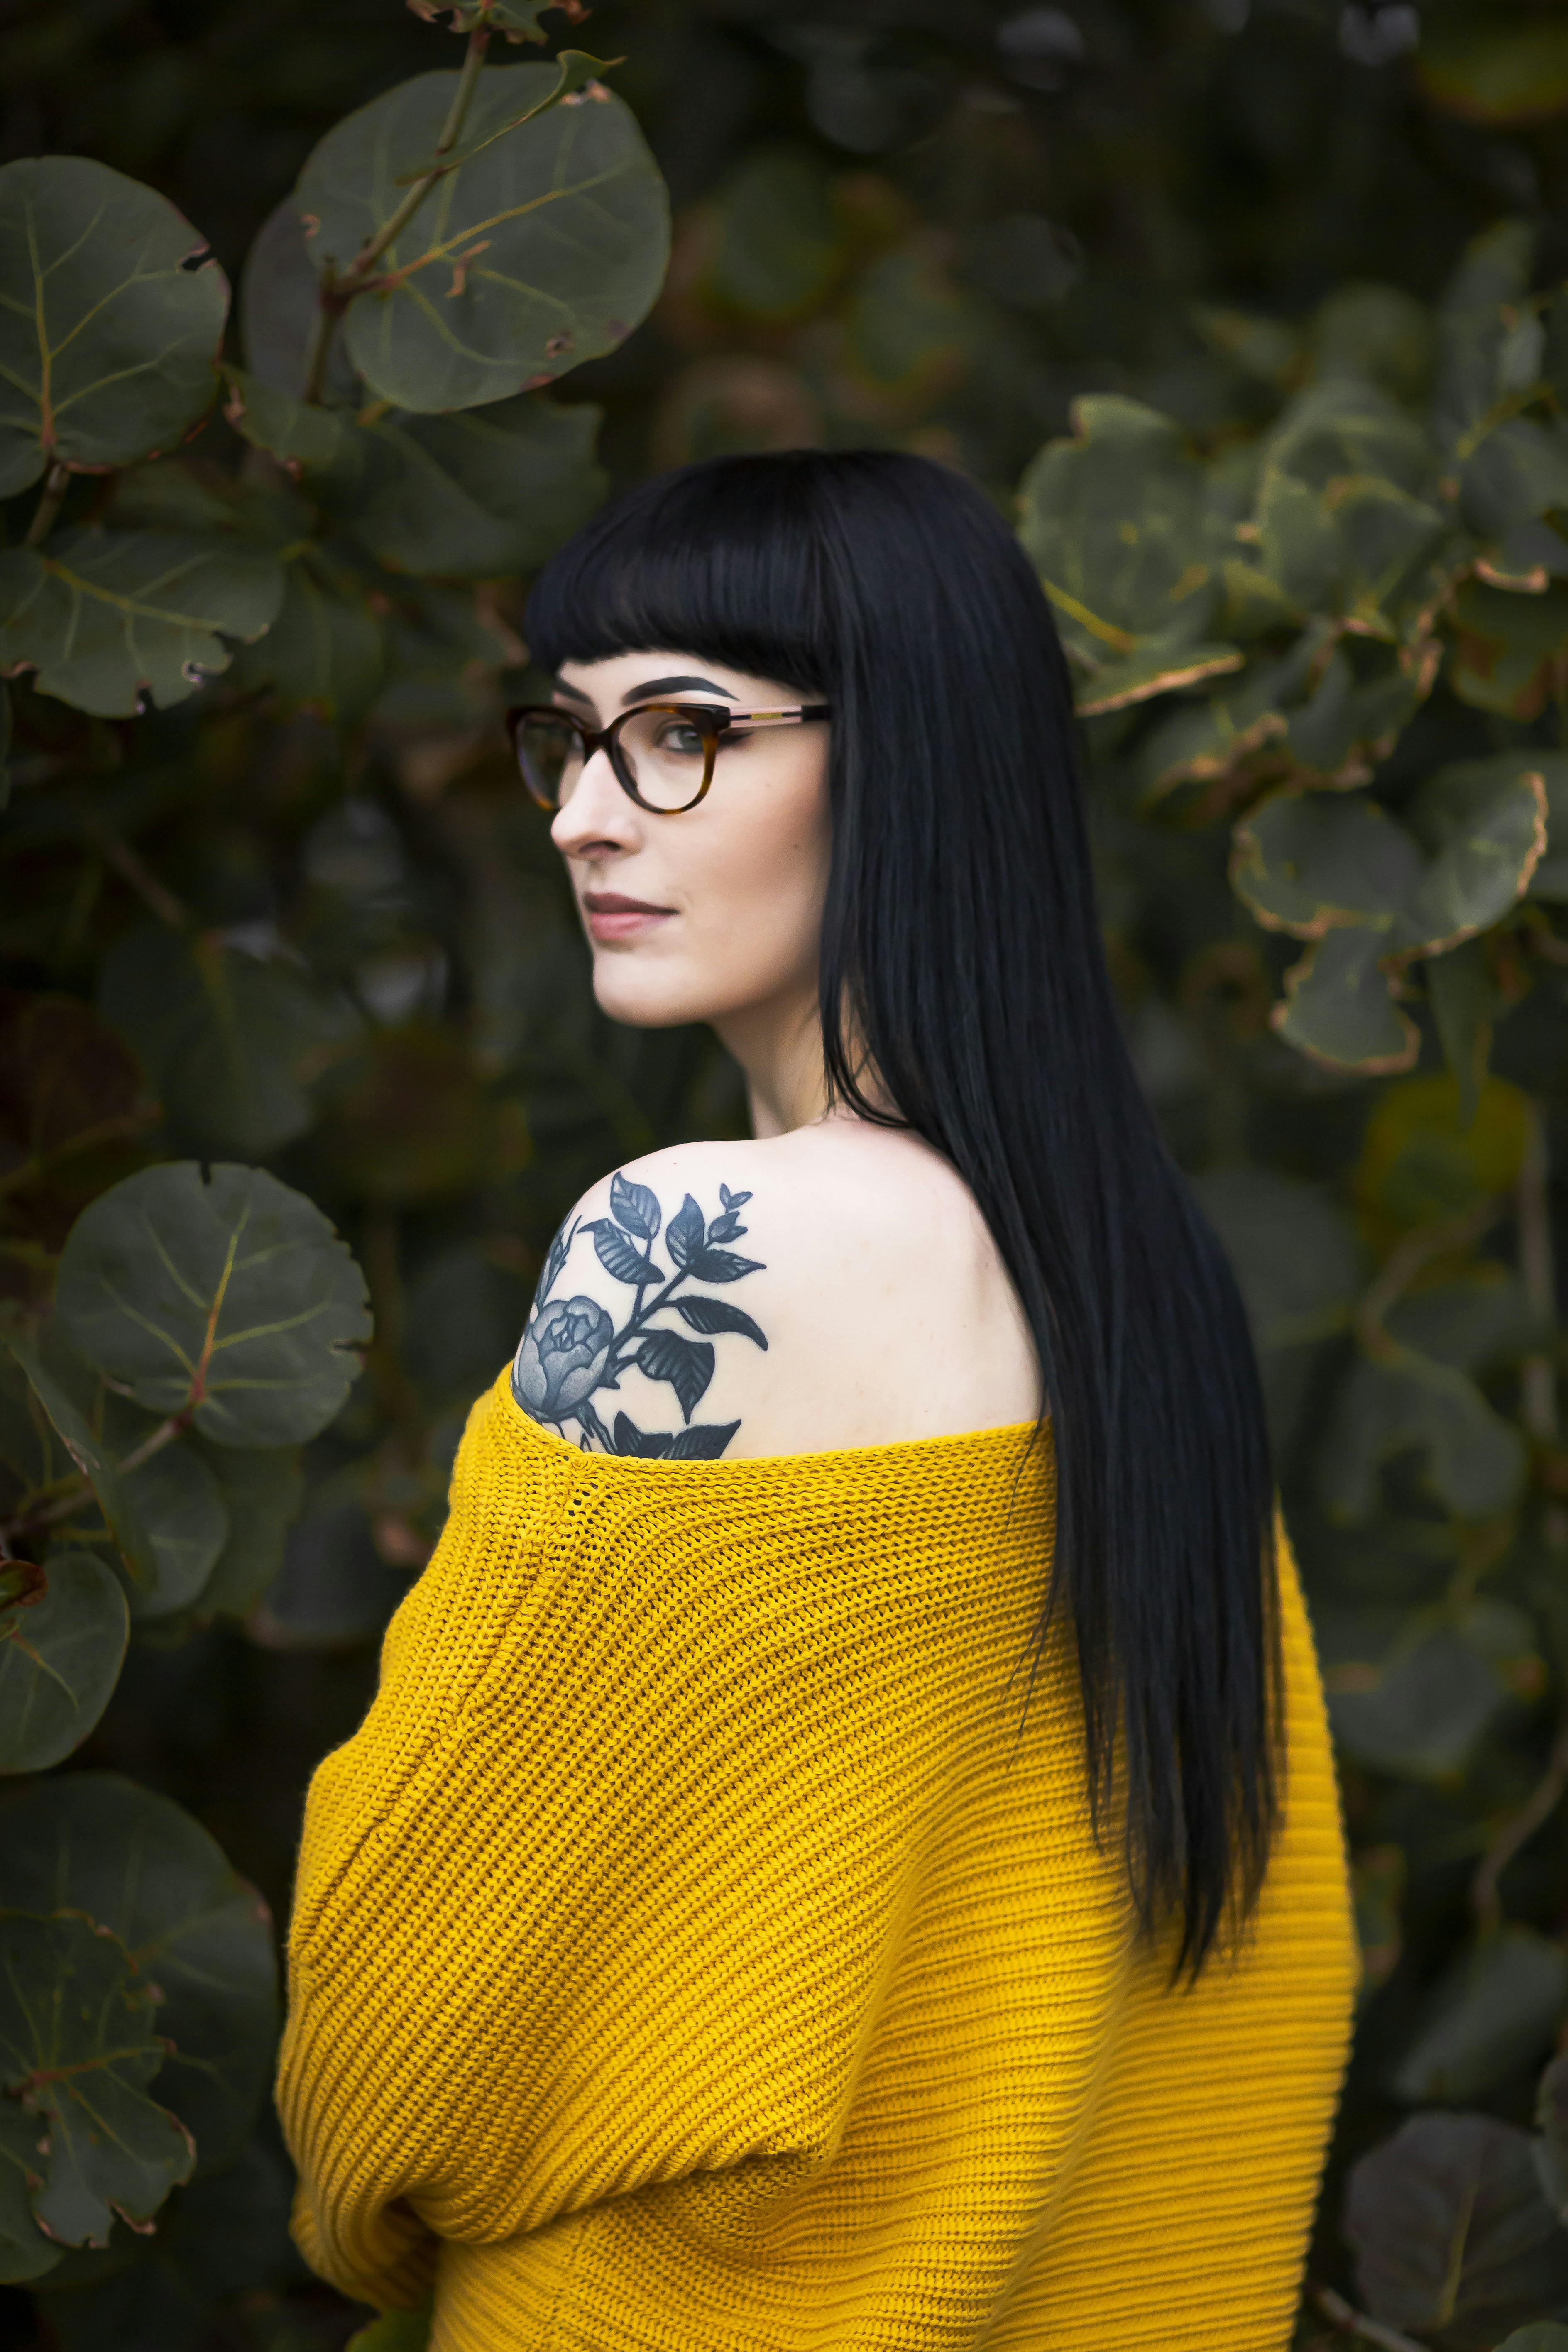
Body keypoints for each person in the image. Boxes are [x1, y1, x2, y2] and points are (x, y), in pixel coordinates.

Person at [277, 451, 1355, 2351]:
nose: (583, 816)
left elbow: (403, 1998)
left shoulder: (698, 1245)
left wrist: (370, 2216)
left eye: (682, 734)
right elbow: (1246, 2017)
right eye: (573, 739)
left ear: (908, 758)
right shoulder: (1135, 1287)